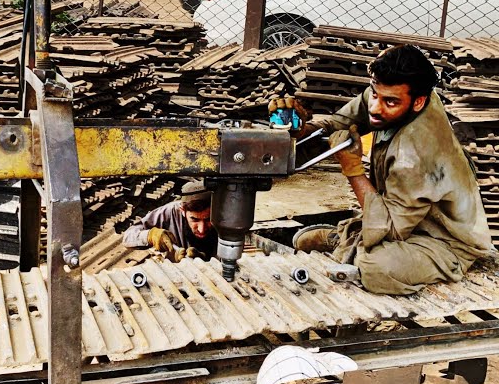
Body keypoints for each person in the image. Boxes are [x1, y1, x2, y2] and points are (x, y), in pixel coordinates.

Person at [271, 44, 494, 295]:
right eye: (374, 94)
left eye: (390, 102)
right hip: (406, 219)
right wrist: (302, 129)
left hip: (444, 241)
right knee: (356, 245)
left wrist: (353, 169)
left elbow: (392, 230)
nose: (376, 108)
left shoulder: (418, 152)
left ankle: (350, 244)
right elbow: (339, 123)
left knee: (375, 267)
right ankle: (349, 240)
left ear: (418, 102)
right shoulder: (393, 94)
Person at [121, 180, 216, 261]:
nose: (201, 229)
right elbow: (128, 237)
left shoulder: (225, 215)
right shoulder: (169, 212)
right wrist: (150, 236)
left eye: (208, 220)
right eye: (194, 220)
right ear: (182, 211)